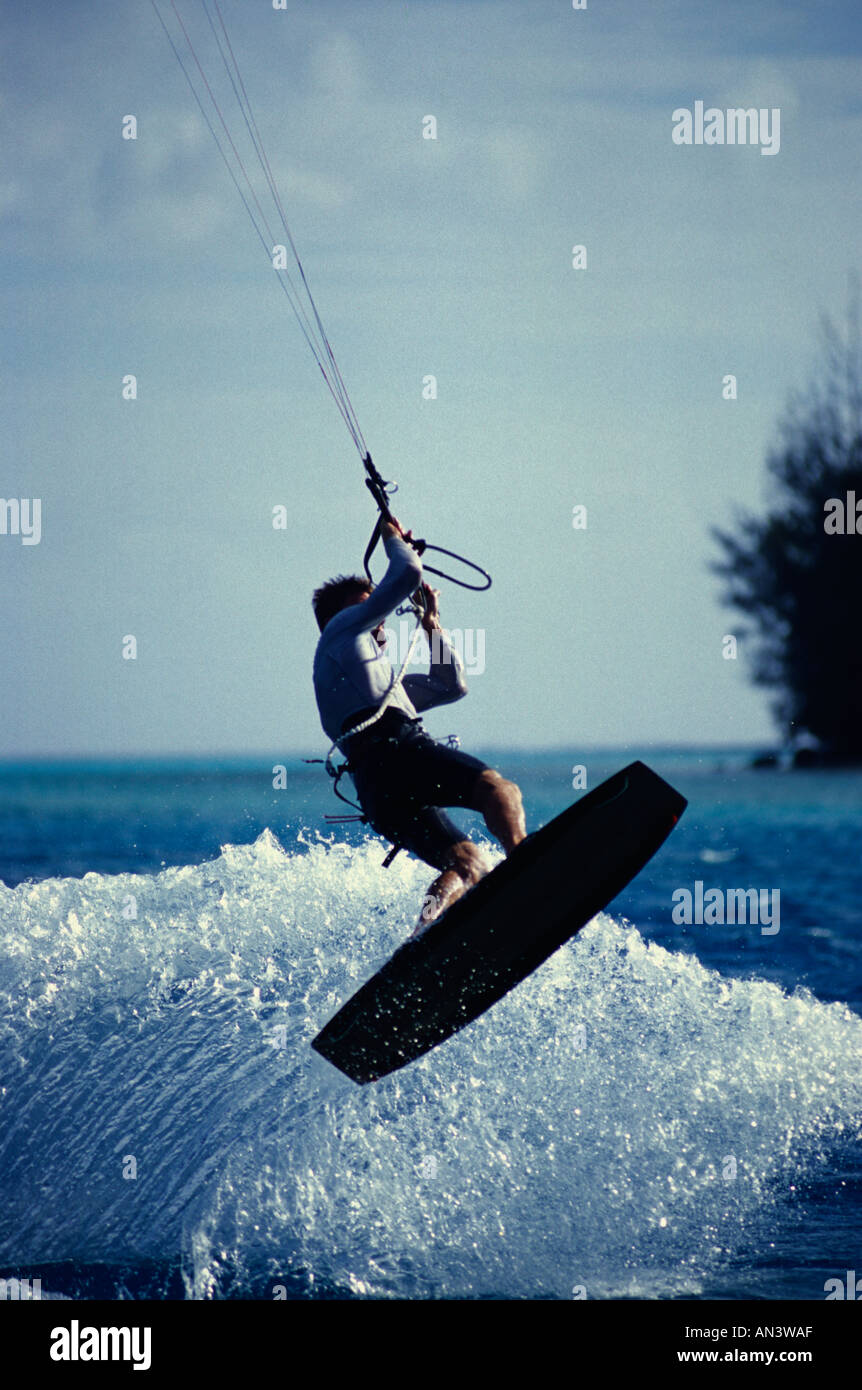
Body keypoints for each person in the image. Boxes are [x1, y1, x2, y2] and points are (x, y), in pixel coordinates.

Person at [312, 516, 526, 935]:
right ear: (339, 617)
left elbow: (451, 686)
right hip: (399, 752)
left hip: (376, 792)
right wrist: (392, 537)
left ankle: (421, 937)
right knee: (499, 789)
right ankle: (525, 863)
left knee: (468, 865)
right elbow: (408, 573)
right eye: (367, 606)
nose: (380, 613)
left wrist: (431, 626)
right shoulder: (338, 636)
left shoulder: (369, 678)